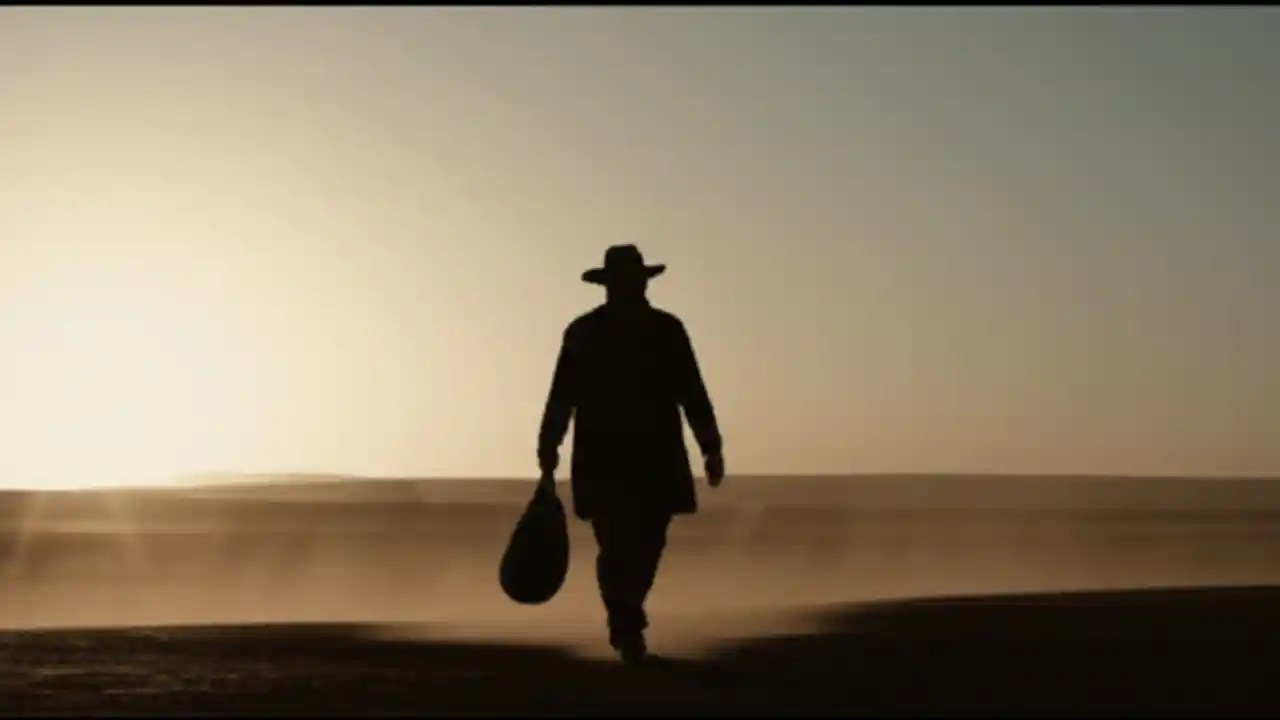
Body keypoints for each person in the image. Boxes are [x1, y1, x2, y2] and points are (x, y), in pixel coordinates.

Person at [537, 244, 725, 665]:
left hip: (643, 456)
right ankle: (627, 629)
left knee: (646, 541)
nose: (628, 288)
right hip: (615, 457)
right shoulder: (585, 333)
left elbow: (691, 390)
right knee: (618, 542)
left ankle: (625, 620)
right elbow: (561, 395)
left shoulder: (664, 330)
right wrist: (548, 446)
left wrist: (711, 445)